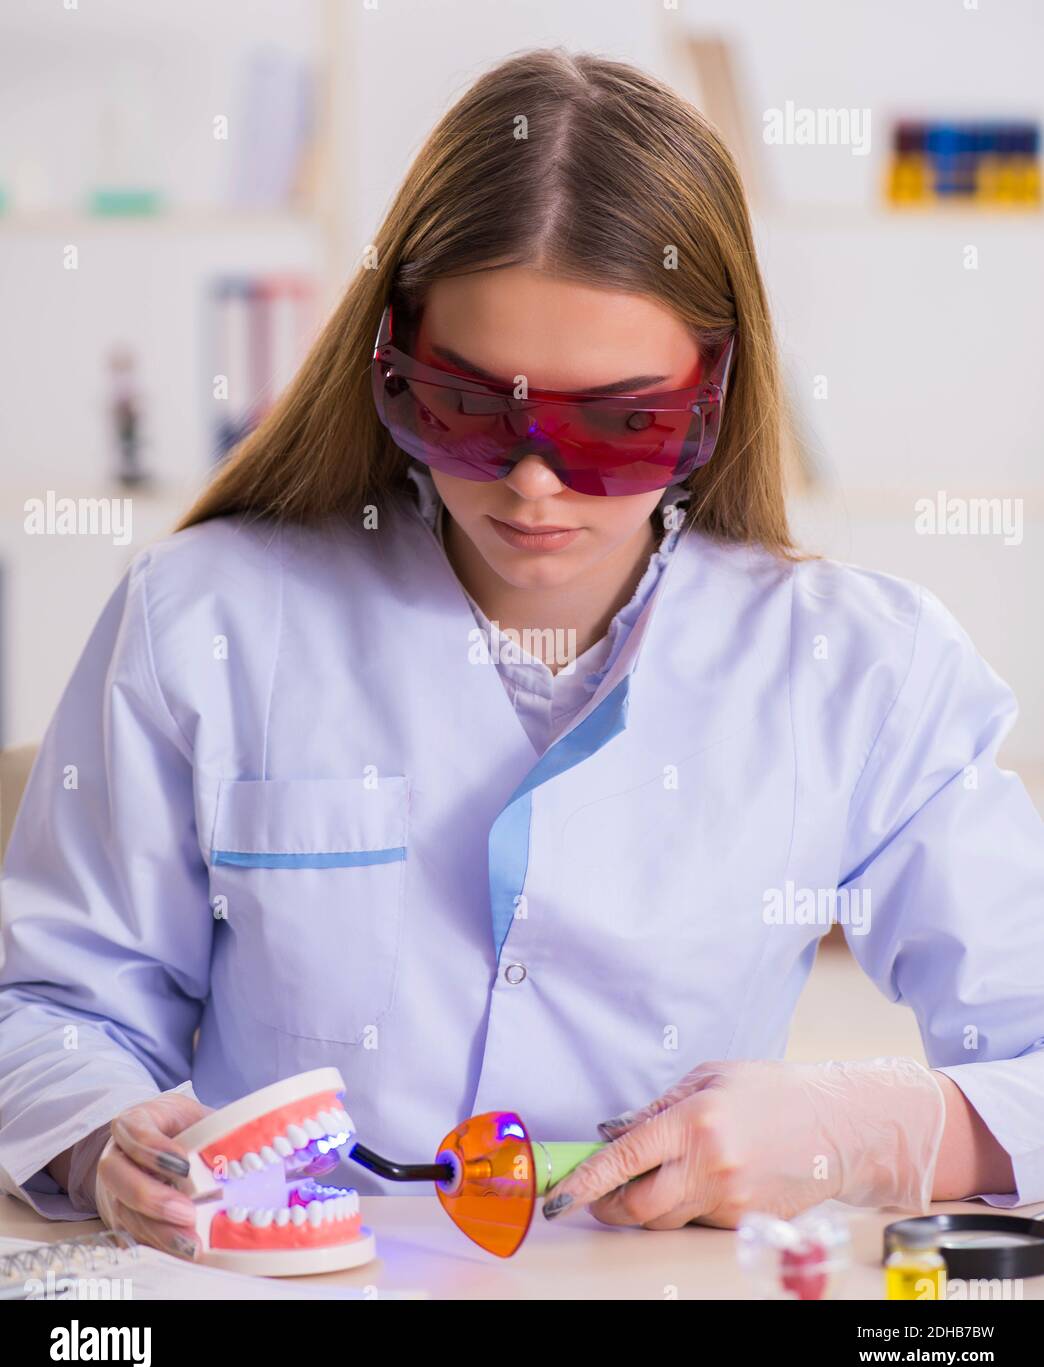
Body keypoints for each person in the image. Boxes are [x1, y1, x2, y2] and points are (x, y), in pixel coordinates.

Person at [1, 49, 1041, 1261]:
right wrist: (106, 1137)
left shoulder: (865, 673)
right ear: (390, 357)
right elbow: (53, 1011)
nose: (534, 480)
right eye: (470, 408)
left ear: (715, 393)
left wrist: (865, 1131)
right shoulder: (208, 621)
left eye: (617, 423)